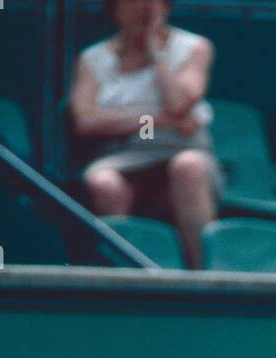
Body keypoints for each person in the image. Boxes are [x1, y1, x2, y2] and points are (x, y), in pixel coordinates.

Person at [70, 0, 221, 268]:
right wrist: (155, 120)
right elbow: (85, 121)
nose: (144, 8)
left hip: (181, 148)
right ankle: (122, 276)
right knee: (103, 183)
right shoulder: (92, 59)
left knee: (189, 167)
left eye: (154, 2)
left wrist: (157, 53)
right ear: (115, 9)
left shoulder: (196, 47)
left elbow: (178, 104)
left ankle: (201, 277)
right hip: (121, 155)